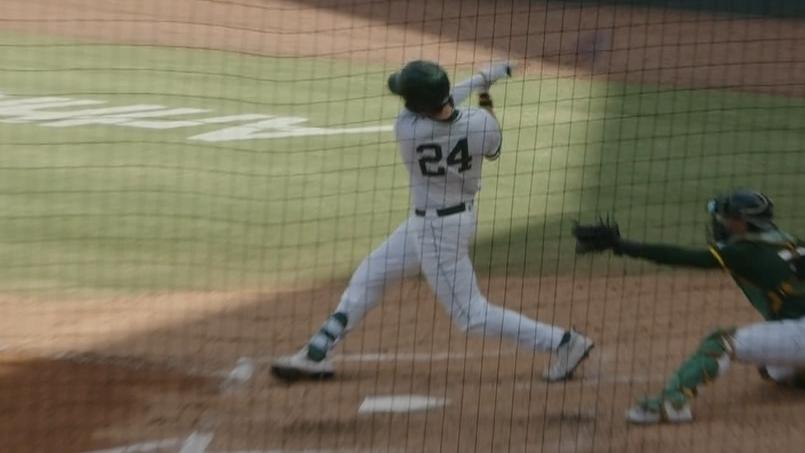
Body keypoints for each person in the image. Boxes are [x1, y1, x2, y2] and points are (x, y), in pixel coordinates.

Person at [271, 60, 594, 383]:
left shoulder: (407, 129)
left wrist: (478, 79)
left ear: (417, 106)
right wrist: (484, 89)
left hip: (437, 233)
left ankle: (565, 342)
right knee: (370, 275)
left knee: (471, 314)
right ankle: (317, 353)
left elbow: (440, 103)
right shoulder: (480, 124)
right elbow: (491, 147)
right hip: (445, 221)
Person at [572, 189, 805, 424]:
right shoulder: (791, 241)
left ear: (742, 222)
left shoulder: (744, 252)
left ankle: (671, 404)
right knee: (770, 366)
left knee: (720, 343)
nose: (721, 223)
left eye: (726, 218)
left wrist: (622, 246)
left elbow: (682, 256)